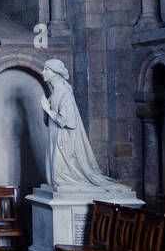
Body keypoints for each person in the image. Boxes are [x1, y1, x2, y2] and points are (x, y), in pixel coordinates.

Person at [40, 58, 131, 191]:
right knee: (55, 177)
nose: (43, 72)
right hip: (55, 138)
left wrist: (47, 109)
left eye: (46, 69)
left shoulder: (65, 94)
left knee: (61, 176)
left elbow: (65, 122)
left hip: (64, 141)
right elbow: (49, 122)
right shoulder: (55, 93)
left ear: (55, 72)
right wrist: (46, 109)